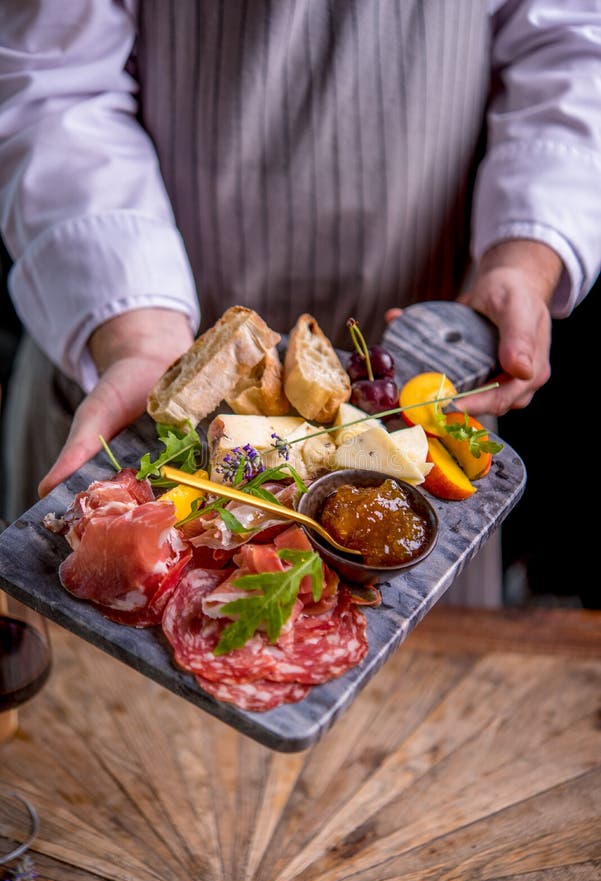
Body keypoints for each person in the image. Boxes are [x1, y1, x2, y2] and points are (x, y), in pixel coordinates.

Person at [0, 1, 600, 607]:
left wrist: (524, 256)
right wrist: (134, 331)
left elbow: (570, 41)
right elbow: (52, 86)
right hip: (120, 311)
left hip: (418, 355)